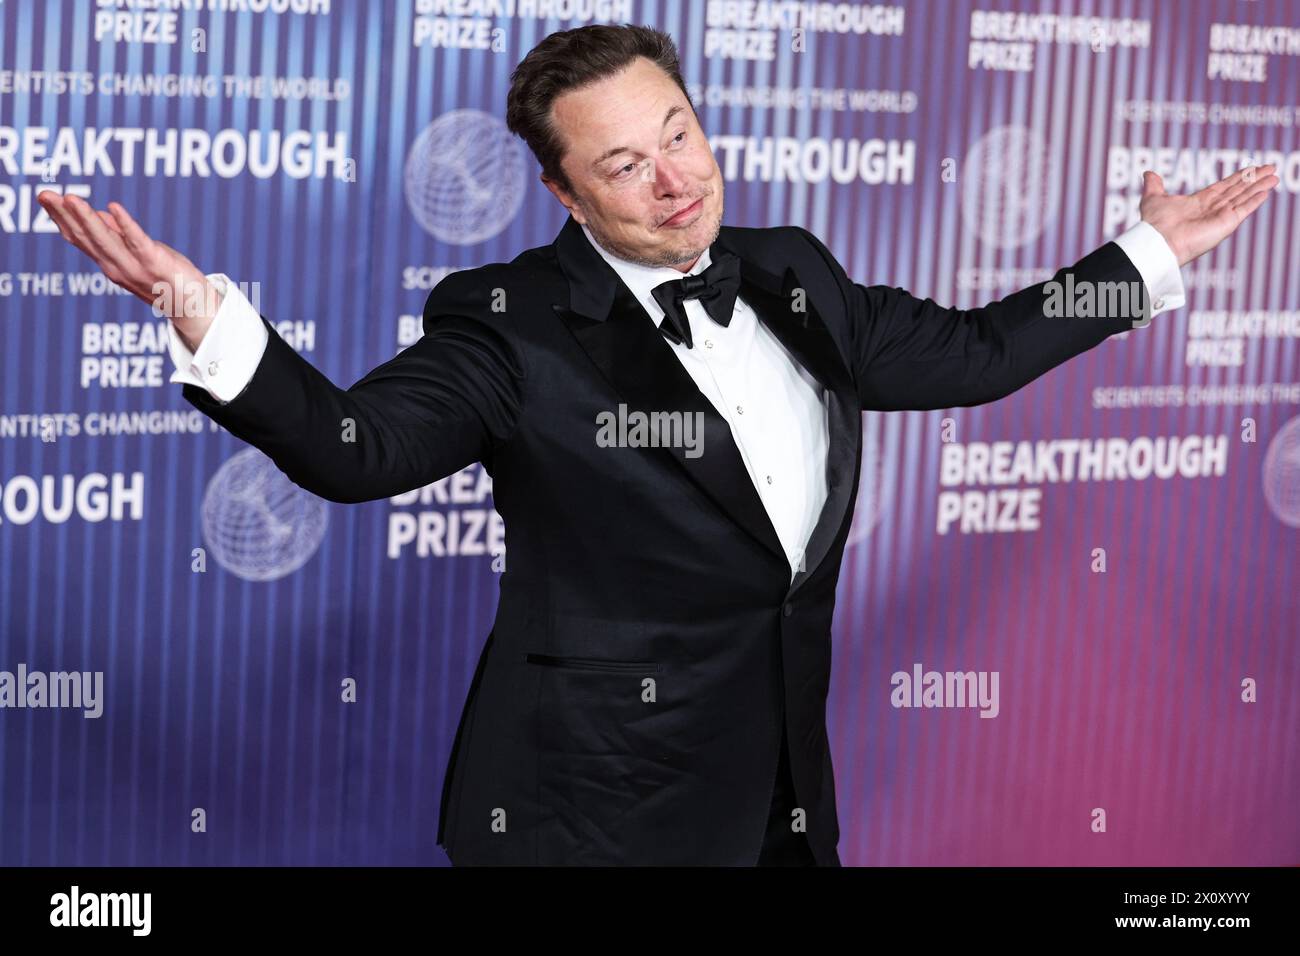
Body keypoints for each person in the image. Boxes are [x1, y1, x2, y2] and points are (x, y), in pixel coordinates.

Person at [37, 24, 1277, 866]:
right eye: (624, 165)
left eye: (676, 132)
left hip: (783, 802)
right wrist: (205, 316)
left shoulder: (792, 273)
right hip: (591, 819)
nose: (674, 181)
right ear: (567, 195)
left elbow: (977, 354)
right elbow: (355, 448)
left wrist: (1145, 256)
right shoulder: (513, 324)